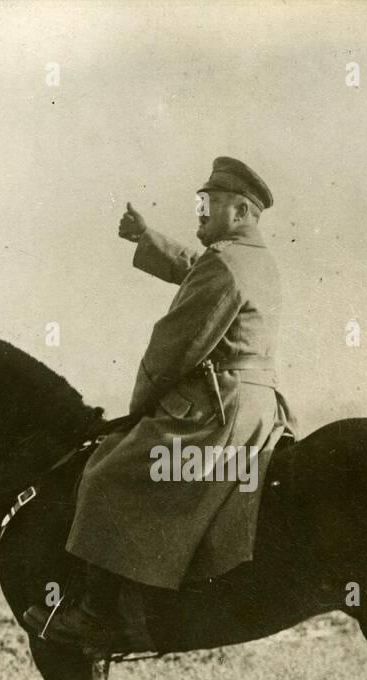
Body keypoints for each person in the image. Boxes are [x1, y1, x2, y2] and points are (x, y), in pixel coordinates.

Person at [26, 157, 294, 648]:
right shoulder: (254, 259)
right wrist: (147, 238)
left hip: (219, 412)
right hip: (257, 405)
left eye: (206, 206)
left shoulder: (228, 264)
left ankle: (96, 614)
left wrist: (138, 410)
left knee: (107, 474)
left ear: (238, 210)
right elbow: (199, 268)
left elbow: (171, 349)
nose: (198, 216)